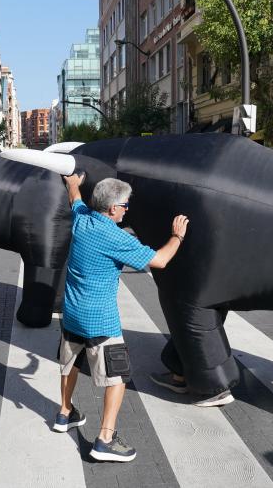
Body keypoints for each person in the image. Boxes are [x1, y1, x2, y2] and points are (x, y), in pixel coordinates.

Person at [54, 175, 188, 463]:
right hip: (100, 322)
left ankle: (65, 413)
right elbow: (160, 260)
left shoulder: (82, 220)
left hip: (72, 315)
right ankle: (105, 439)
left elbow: (74, 197)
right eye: (125, 206)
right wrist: (177, 236)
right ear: (113, 208)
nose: (127, 210)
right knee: (118, 377)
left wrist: (72, 181)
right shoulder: (115, 237)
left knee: (69, 364)